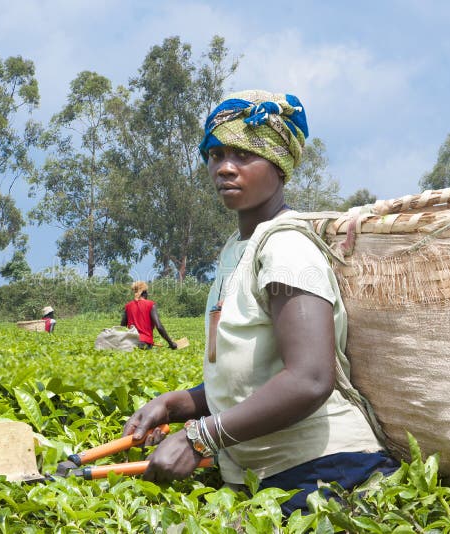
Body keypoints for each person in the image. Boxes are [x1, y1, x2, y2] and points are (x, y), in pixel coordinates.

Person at [122, 90, 397, 516]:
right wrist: (176, 404)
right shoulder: (237, 248)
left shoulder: (286, 247)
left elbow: (309, 379)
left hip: (328, 472)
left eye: (244, 155)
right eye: (215, 155)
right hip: (265, 478)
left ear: (280, 166)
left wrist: (200, 439)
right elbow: (249, 378)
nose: (224, 168)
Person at [121, 281, 177, 350]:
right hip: (145, 343)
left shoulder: (128, 306)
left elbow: (122, 327)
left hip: (129, 343)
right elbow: (159, 327)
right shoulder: (150, 305)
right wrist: (171, 343)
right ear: (145, 292)